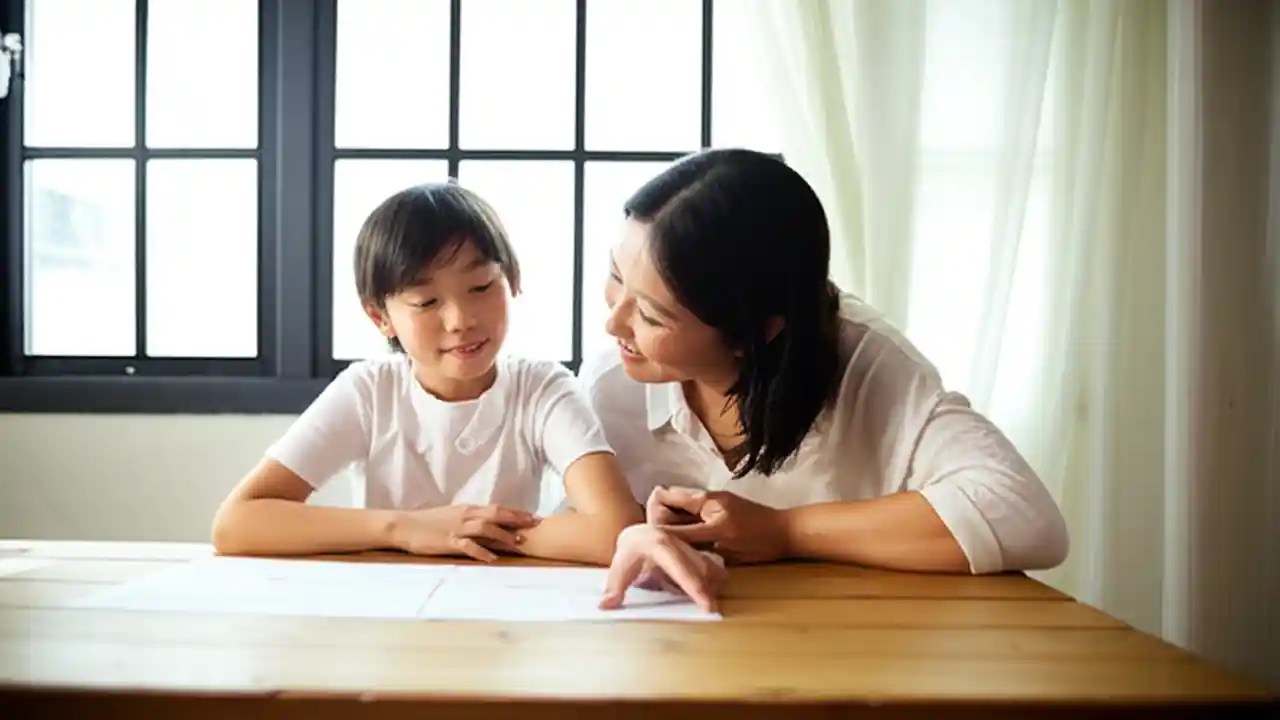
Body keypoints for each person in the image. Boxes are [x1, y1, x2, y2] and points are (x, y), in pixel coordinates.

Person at [591, 149, 1068, 611]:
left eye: (651, 316)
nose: (613, 324)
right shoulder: (614, 383)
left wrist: (785, 531)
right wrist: (631, 532)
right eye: (616, 276)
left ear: (753, 333)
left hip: (854, 637)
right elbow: (585, 533)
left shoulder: (867, 363)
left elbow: (1023, 516)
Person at [213, 183, 641, 565]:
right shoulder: (369, 391)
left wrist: (471, 532)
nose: (460, 320)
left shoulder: (542, 388)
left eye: (481, 287)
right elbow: (236, 523)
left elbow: (617, 530)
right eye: (426, 302)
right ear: (381, 317)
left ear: (512, 280)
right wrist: (404, 529)